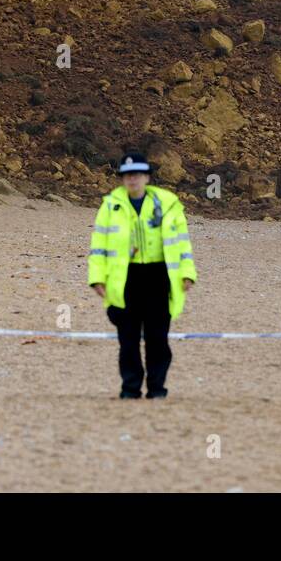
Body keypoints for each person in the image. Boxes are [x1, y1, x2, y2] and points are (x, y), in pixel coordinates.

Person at [87, 151, 196, 399]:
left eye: (136, 174)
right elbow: (99, 245)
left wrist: (187, 272)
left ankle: (157, 388)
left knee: (158, 338)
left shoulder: (168, 204)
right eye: (127, 175)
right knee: (128, 339)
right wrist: (97, 278)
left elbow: (182, 243)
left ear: (146, 177)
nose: (132, 179)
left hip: (159, 276)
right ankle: (130, 388)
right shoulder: (110, 206)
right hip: (125, 277)